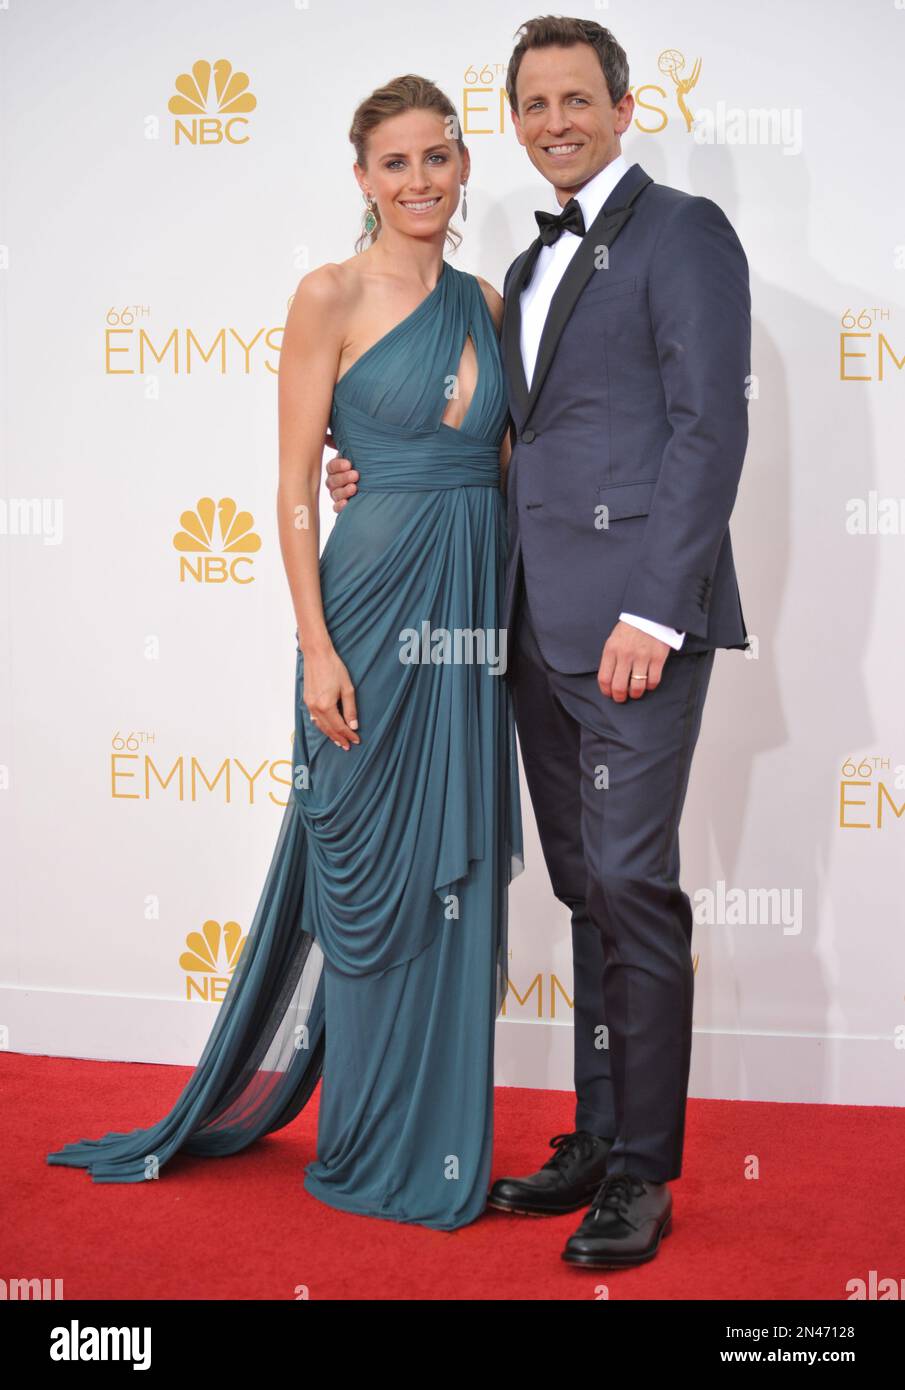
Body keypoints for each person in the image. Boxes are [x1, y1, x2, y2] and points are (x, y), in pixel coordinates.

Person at [46, 75, 523, 1232]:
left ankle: (440, 1143)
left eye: (436, 158)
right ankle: (363, 1139)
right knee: (365, 872)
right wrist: (314, 647)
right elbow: (293, 485)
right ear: (361, 178)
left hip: (469, 614)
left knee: (447, 872)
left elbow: (507, 463)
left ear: (462, 169)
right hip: (363, 610)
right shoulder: (327, 294)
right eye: (394, 162)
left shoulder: (490, 305)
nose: (418, 180)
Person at [326, 17, 751, 1266]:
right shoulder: (520, 265)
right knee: (580, 892)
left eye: (577, 96)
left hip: (631, 628)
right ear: (511, 122)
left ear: (624, 106)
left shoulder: (683, 234)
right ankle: (595, 1135)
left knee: (631, 886)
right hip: (527, 621)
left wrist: (655, 609)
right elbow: (523, 441)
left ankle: (644, 1174)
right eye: (532, 103)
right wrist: (388, 473)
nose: (554, 120)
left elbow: (705, 433)